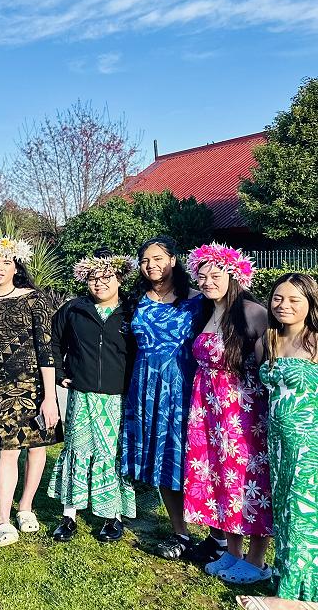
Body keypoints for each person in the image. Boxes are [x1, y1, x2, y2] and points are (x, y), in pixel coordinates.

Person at [182, 243, 271, 583]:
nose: (207, 282)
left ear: (233, 276)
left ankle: (257, 558)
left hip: (242, 410)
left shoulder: (253, 312)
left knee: (250, 480)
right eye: (202, 276)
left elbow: (270, 362)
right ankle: (232, 551)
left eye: (215, 275)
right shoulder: (204, 312)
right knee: (218, 476)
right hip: (206, 409)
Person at [0, 237, 61, 547]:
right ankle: (4, 520)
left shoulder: (34, 299)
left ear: (16, 266)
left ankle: (26, 507)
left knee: (37, 448)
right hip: (1, 384)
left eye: (6, 262)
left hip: (35, 383)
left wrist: (50, 397)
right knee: (8, 450)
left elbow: (46, 348)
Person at [120, 235, 206, 561]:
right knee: (164, 458)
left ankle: (218, 537)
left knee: (194, 460)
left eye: (158, 258)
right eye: (145, 260)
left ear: (173, 260)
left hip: (185, 388)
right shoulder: (134, 301)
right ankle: (181, 532)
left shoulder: (198, 301)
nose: (151, 265)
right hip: (145, 388)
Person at [47, 251, 136, 544]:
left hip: (116, 395)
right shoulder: (74, 309)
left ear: (119, 278)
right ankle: (69, 515)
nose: (99, 284)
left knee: (110, 454)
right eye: (92, 279)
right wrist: (61, 371)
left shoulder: (131, 311)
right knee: (77, 449)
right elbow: (54, 340)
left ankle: (113, 517)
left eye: (106, 278)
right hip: (81, 393)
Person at [260, 272, 318, 602]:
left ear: (309, 304)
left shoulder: (317, 341)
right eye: (278, 298)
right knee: (283, 510)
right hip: (277, 442)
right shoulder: (268, 340)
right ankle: (285, 576)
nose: (284, 305)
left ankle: (301, 592)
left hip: (309, 441)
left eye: (295, 300)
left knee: (302, 513)